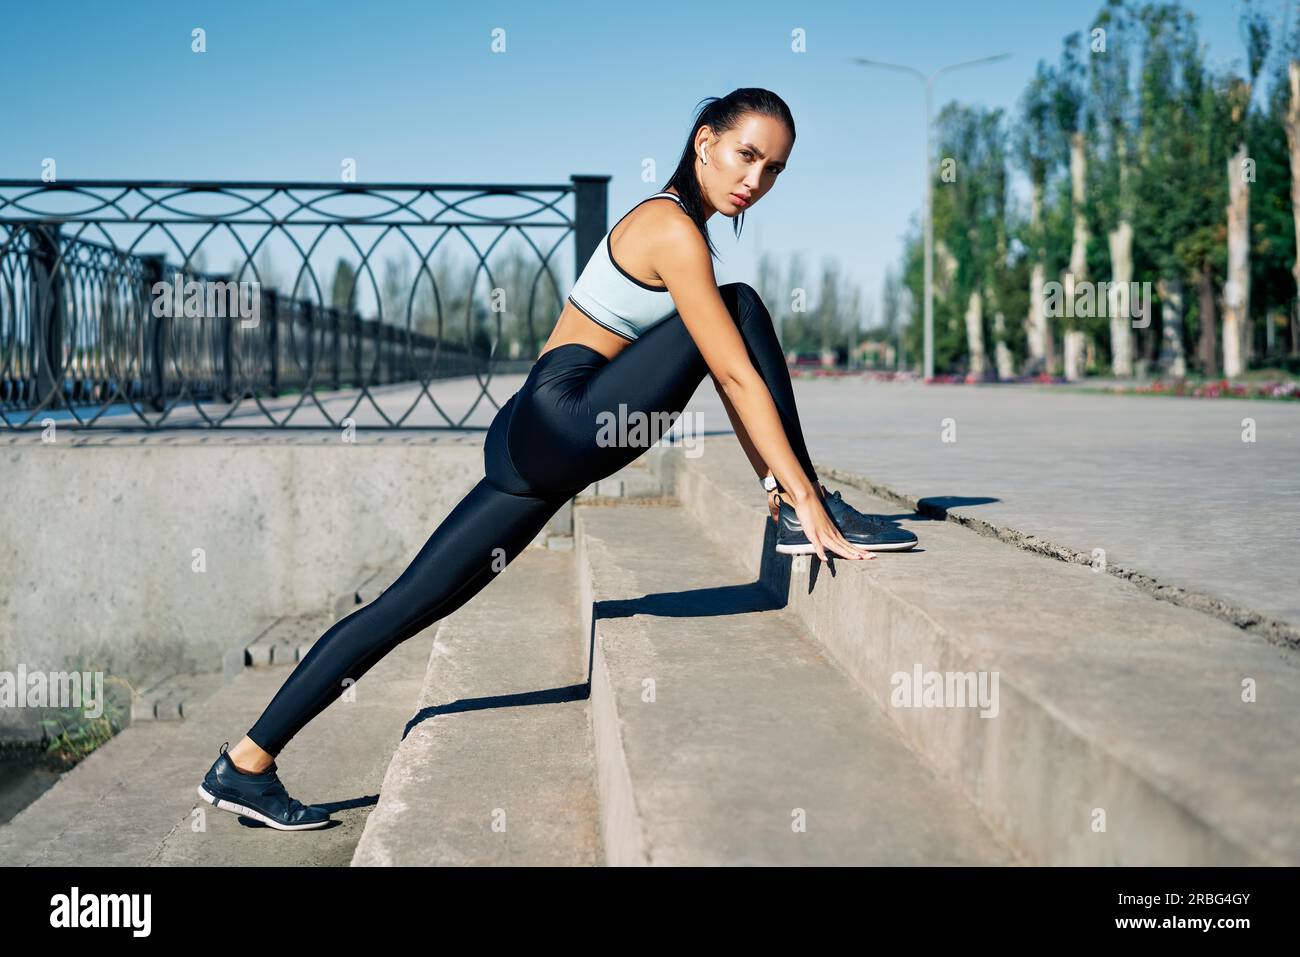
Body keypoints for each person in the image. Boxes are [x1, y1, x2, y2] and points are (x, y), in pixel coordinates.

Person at [198, 87, 917, 831]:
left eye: (774, 171)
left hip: (531, 436)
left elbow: (728, 376)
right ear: (704, 141)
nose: (756, 181)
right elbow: (733, 372)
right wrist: (800, 492)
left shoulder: (676, 224)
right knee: (739, 311)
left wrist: (778, 483)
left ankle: (245, 762)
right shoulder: (672, 229)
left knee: (409, 601)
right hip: (565, 418)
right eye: (747, 155)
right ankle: (813, 506)